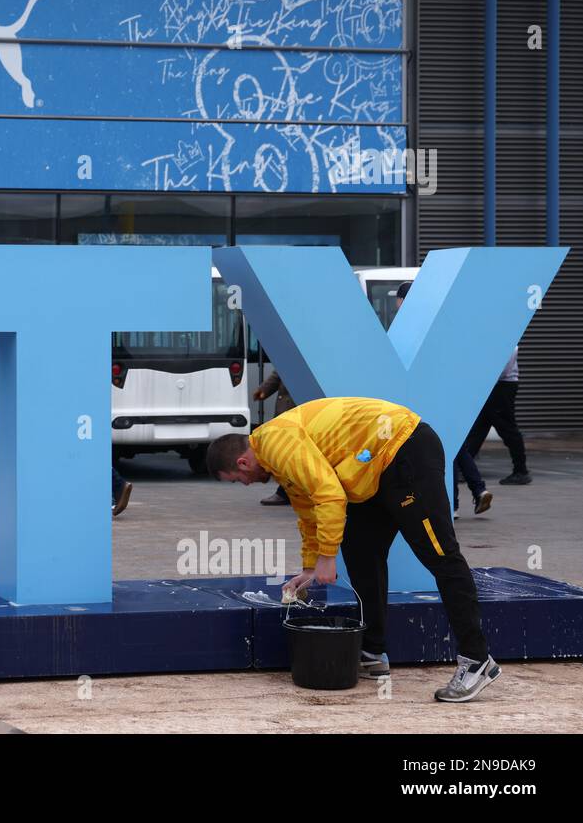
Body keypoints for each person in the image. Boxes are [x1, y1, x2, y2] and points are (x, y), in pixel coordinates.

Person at [206, 396, 500, 703]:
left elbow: (330, 496)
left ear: (242, 462)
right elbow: (309, 510)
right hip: (373, 469)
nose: (246, 484)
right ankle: (372, 652)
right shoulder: (275, 456)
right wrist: (310, 568)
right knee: (361, 553)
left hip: (404, 447)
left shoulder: (275, 443)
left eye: (238, 479)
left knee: (441, 556)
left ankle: (477, 659)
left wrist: (327, 558)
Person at [394, 280, 492, 516]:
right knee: (453, 444)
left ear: (402, 301)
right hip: (448, 392)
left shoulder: (407, 326)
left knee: (443, 446)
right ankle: (476, 491)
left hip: (425, 395)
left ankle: (455, 503)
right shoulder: (435, 324)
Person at [474, 349, 530, 486]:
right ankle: (464, 468)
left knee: (507, 428)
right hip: (493, 385)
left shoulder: (508, 342)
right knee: (478, 428)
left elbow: (503, 370)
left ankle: (521, 471)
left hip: (502, 386)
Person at [253, 369, 294, 507]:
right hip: (287, 412)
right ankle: (286, 492)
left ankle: (286, 492)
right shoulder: (294, 355)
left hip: (299, 411)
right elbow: (279, 372)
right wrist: (264, 389)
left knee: (290, 454)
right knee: (286, 453)